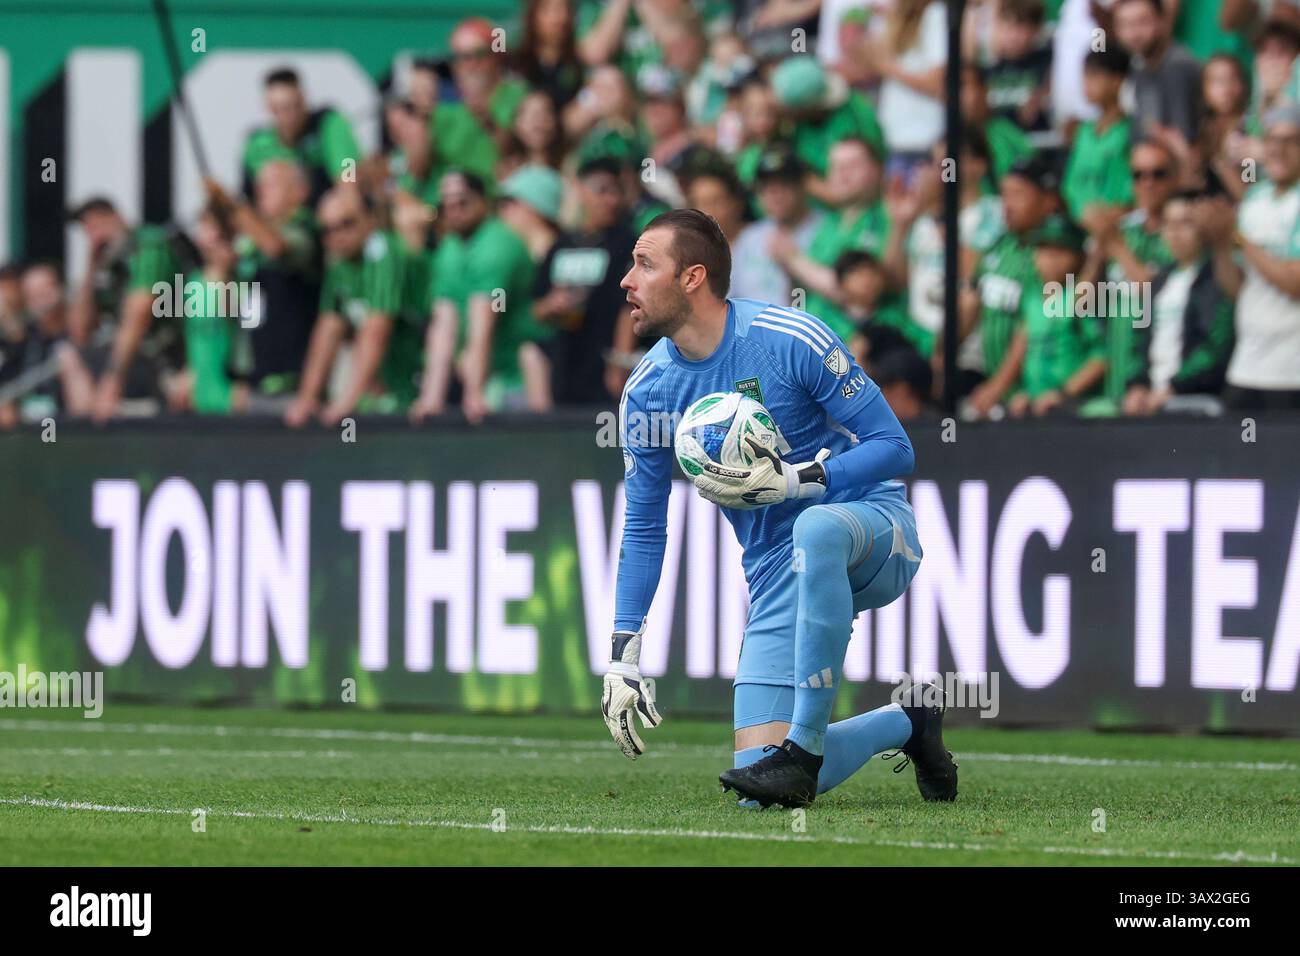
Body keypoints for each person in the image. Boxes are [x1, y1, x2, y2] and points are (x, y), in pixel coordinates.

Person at [604, 208, 955, 809]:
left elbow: (896, 447)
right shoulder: (646, 391)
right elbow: (643, 525)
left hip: (871, 528)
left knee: (815, 527)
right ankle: (909, 723)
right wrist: (623, 653)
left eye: (644, 264)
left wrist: (803, 479)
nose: (626, 281)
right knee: (756, 794)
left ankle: (803, 753)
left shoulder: (792, 338)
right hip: (773, 572)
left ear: (692, 277)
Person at [412, 170, 551, 421]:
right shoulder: (448, 250)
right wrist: (431, 398)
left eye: (462, 202)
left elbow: (483, 321)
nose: (453, 211)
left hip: (521, 376)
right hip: (486, 375)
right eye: (446, 205)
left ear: (482, 200)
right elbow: (444, 325)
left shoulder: (499, 244)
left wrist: (474, 394)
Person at [284, 188, 424, 426]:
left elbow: (377, 328)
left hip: (423, 381)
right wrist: (307, 397)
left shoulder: (383, 250)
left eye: (346, 224)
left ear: (370, 219)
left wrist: (346, 401)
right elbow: (328, 329)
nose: (336, 236)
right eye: (327, 230)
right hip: (393, 388)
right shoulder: (340, 266)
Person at [1202, 105, 1300, 408]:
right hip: (1248, 365)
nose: (1279, 150)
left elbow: (1295, 283)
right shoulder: (1255, 200)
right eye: (1272, 140)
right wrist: (1220, 243)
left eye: (1291, 141)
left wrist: (1240, 239)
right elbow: (1237, 289)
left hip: (1292, 370)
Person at [1123, 191, 1235, 414]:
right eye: (1168, 224)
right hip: (1151, 398)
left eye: (1185, 224)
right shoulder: (1159, 281)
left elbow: (1215, 346)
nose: (1174, 233)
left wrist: (1174, 388)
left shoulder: (1218, 278)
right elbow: (1139, 339)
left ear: (1203, 229)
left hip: (1195, 400)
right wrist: (1137, 385)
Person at [1005, 214, 1107, 418]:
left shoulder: (1083, 299)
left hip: (1075, 409)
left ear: (1078, 256)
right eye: (1043, 250)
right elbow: (1023, 353)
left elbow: (1101, 358)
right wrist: (1023, 394)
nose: (1050, 259)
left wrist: (1063, 393)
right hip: (1035, 409)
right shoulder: (1032, 301)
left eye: (1060, 251)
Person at [241, 68, 360, 206]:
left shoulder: (329, 124)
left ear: (303, 99)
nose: (288, 117)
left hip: (324, 219)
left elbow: (349, 168)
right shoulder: (257, 144)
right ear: (268, 107)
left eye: (294, 106)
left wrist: (347, 191)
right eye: (278, 109)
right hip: (276, 223)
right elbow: (247, 198)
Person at [731, 149, 823, 306]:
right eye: (767, 186)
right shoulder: (749, 238)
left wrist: (793, 262)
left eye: (784, 184)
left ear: (802, 186)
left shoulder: (827, 229)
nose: (775, 194)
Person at [1113, 0, 1204, 142]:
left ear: (1162, 19)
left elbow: (1186, 139)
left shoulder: (1178, 67)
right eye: (1125, 25)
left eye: (1142, 22)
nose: (1134, 34)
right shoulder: (1139, 66)